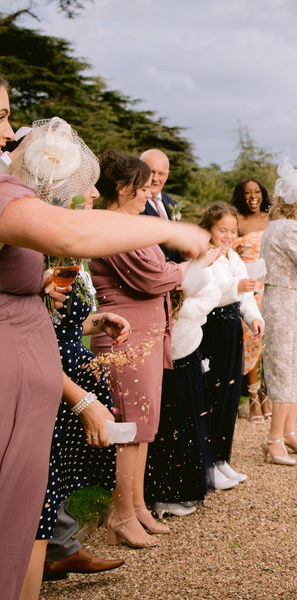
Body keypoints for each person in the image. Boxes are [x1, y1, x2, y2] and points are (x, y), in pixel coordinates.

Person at [0, 77, 207, 598]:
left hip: (31, 381)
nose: (8, 134)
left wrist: (52, 295)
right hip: (11, 385)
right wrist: (170, 232)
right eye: (0, 117)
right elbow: (73, 233)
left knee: (24, 522)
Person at [7, 119, 128, 597]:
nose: (94, 192)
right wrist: (82, 402)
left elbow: (49, 322)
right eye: (84, 184)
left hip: (48, 379)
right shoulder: (31, 243)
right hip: (32, 385)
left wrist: (88, 324)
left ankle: (50, 560)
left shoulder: (54, 255)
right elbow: (28, 332)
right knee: (28, 510)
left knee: (40, 503)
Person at [90, 150, 186, 548]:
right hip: (123, 337)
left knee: (142, 428)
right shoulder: (115, 226)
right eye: (143, 185)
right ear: (122, 188)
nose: (149, 191)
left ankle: (138, 505)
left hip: (144, 334)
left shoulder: (130, 223)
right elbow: (151, 278)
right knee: (130, 428)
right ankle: (120, 515)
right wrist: (188, 270)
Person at [146, 250, 220, 518]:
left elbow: (211, 293)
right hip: (165, 358)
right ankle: (163, 493)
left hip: (188, 351)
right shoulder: (161, 265)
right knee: (169, 424)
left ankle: (181, 489)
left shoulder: (194, 271)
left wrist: (192, 316)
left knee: (188, 423)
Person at [198, 202, 263, 489]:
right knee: (211, 393)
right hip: (210, 329)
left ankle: (222, 459)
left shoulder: (233, 256)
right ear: (209, 229)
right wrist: (235, 288)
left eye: (232, 230)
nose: (227, 235)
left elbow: (245, 295)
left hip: (231, 329)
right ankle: (207, 462)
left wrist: (253, 318)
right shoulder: (203, 257)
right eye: (221, 230)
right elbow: (205, 291)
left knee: (230, 392)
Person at [260, 162, 297, 465]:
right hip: (288, 302)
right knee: (285, 367)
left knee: (293, 365)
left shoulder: (274, 226)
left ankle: (289, 431)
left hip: (287, 299)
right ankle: (274, 439)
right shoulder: (292, 230)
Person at [231, 177, 272, 423]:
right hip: (247, 286)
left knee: (270, 342)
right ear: (241, 195)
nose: (253, 196)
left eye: (257, 191)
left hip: (270, 285)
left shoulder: (271, 217)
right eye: (247, 192)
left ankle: (267, 395)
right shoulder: (236, 219)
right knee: (251, 341)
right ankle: (253, 398)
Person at [140, 148, 183, 263]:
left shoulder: (171, 203)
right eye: (151, 172)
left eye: (161, 173)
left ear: (167, 175)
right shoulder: (134, 204)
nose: (155, 179)